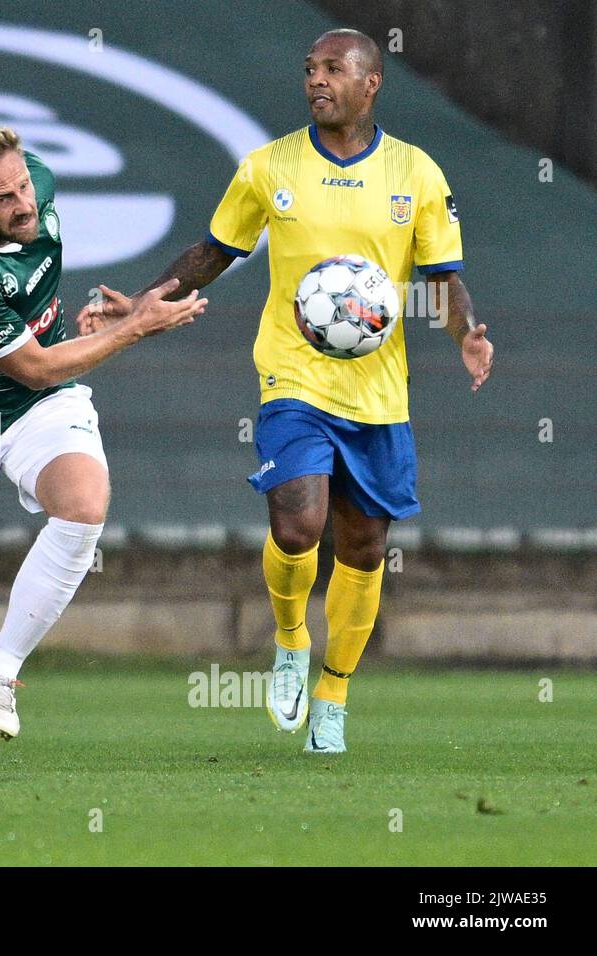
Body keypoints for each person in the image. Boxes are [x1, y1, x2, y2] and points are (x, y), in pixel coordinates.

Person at [87, 29, 494, 752]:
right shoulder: (268, 165)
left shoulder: (417, 172)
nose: (316, 80)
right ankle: (289, 641)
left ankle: (333, 696)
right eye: (310, 69)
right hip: (292, 375)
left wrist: (465, 332)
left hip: (378, 393)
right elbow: (213, 251)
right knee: (297, 524)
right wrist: (144, 302)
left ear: (371, 83)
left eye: (333, 69)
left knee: (363, 548)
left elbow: (442, 277)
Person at [0, 122, 207, 771]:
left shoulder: (34, 183)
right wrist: (134, 327)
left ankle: (0, 672)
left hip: (39, 407)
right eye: (1, 199)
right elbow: (36, 367)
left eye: (23, 186)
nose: (24, 204)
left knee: (83, 505)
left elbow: (44, 383)